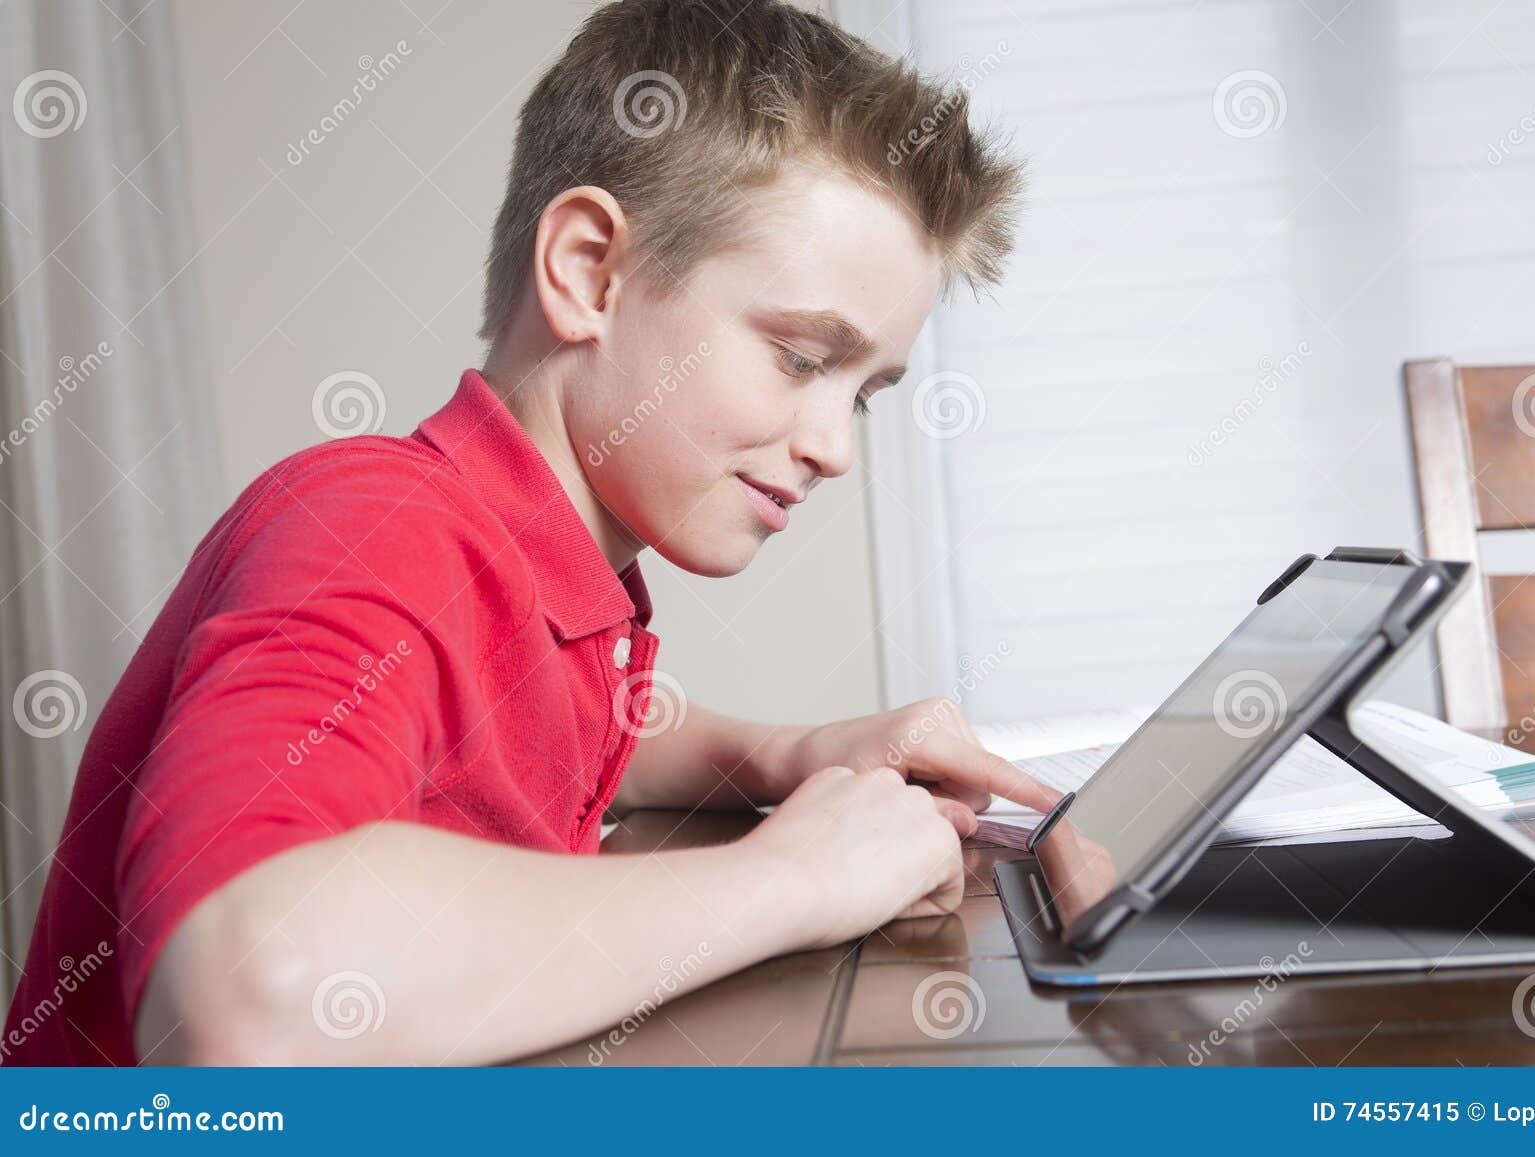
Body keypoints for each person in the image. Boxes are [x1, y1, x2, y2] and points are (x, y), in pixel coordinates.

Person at [3, 0, 1053, 1066]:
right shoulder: (376, 525)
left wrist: (785, 754)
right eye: (798, 357)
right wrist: (796, 874)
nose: (833, 444)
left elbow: (512, 724)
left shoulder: (535, 569)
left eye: (864, 392)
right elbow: (247, 988)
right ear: (588, 270)